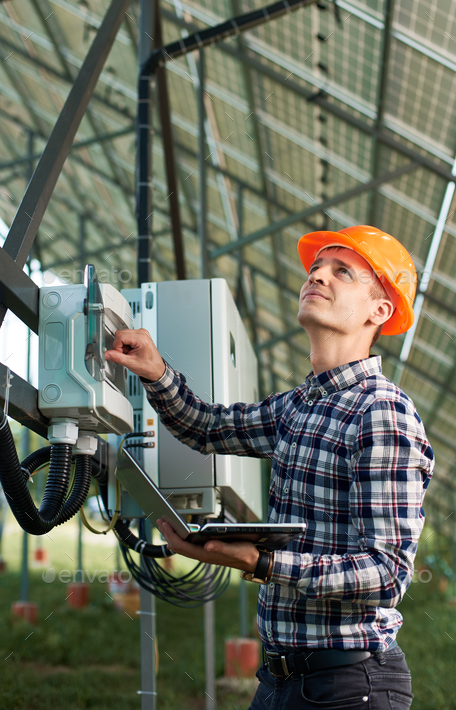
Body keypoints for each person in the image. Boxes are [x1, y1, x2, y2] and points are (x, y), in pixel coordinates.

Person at [105, 225, 434, 709]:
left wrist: (260, 562)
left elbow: (386, 574)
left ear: (379, 311)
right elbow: (208, 427)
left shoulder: (383, 412)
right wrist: (157, 371)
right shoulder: (297, 407)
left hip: (349, 685)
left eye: (342, 272)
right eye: (316, 268)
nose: (318, 276)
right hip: (281, 680)